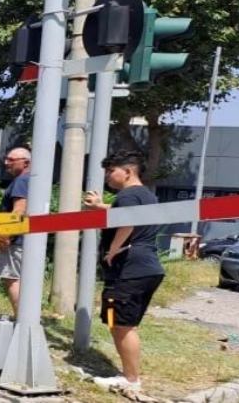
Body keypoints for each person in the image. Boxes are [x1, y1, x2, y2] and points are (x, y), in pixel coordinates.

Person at [83, 150, 165, 396]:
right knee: (118, 322)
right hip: (145, 269)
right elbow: (126, 213)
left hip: (129, 270)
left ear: (127, 172)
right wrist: (100, 207)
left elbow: (127, 221)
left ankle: (131, 379)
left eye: (111, 171)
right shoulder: (146, 196)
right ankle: (128, 374)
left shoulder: (127, 195)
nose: (107, 176)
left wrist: (113, 250)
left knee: (121, 325)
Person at [0, 147, 30, 316]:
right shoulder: (31, 181)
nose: (6, 163)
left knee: (12, 279)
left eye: (11, 160)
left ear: (26, 163)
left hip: (15, 242)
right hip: (25, 239)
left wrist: (6, 236)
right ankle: (26, 319)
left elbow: (19, 210)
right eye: (6, 159)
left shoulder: (21, 181)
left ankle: (21, 320)